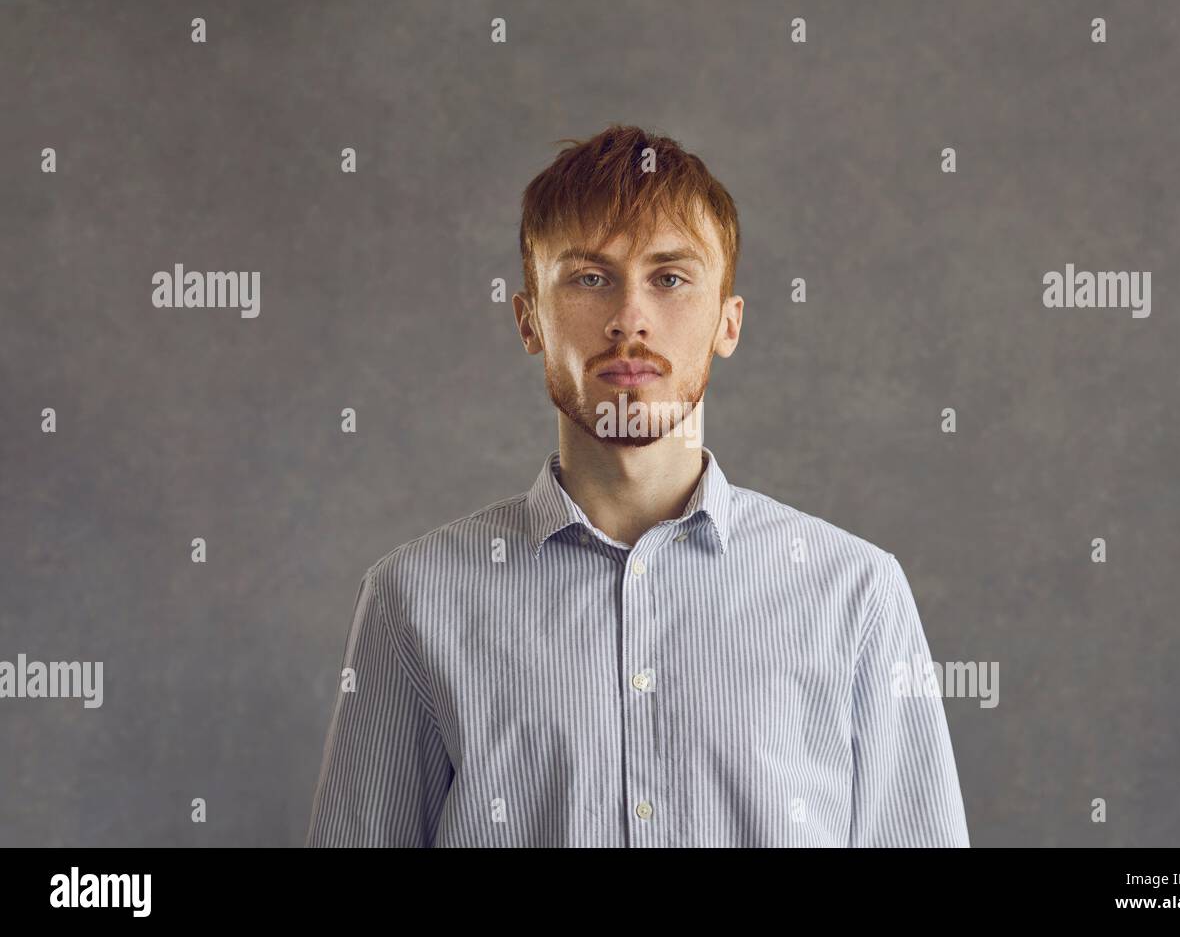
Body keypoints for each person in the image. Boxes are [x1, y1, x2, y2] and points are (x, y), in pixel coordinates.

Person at [306, 124, 970, 847]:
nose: (630, 318)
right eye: (590, 278)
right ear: (529, 319)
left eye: (671, 277)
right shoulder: (414, 599)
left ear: (728, 322)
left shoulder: (856, 595)